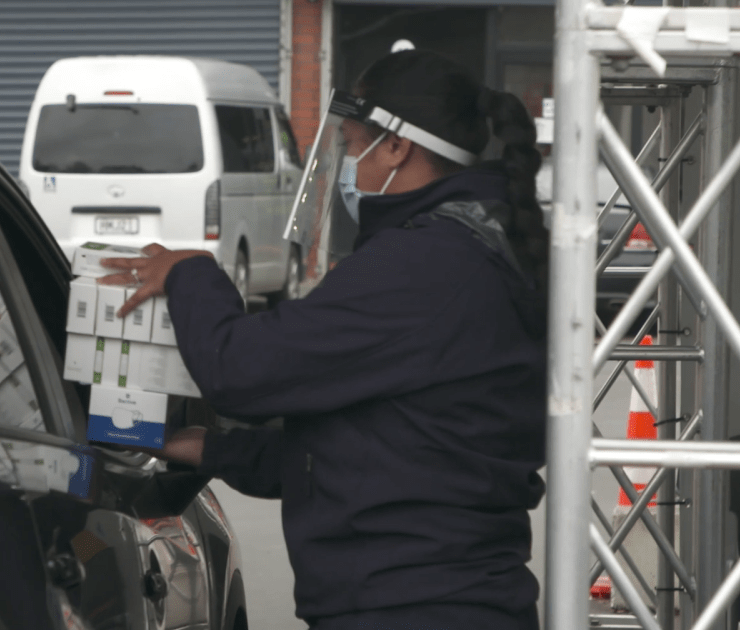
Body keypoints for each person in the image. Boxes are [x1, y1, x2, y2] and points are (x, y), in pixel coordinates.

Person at [99, 50, 549, 630]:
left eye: (350, 143)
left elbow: (242, 371)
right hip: (441, 596)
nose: (346, 165)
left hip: (416, 605)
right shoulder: (464, 250)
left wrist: (191, 274)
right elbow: (386, 452)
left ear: (396, 147)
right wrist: (206, 448)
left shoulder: (423, 263)